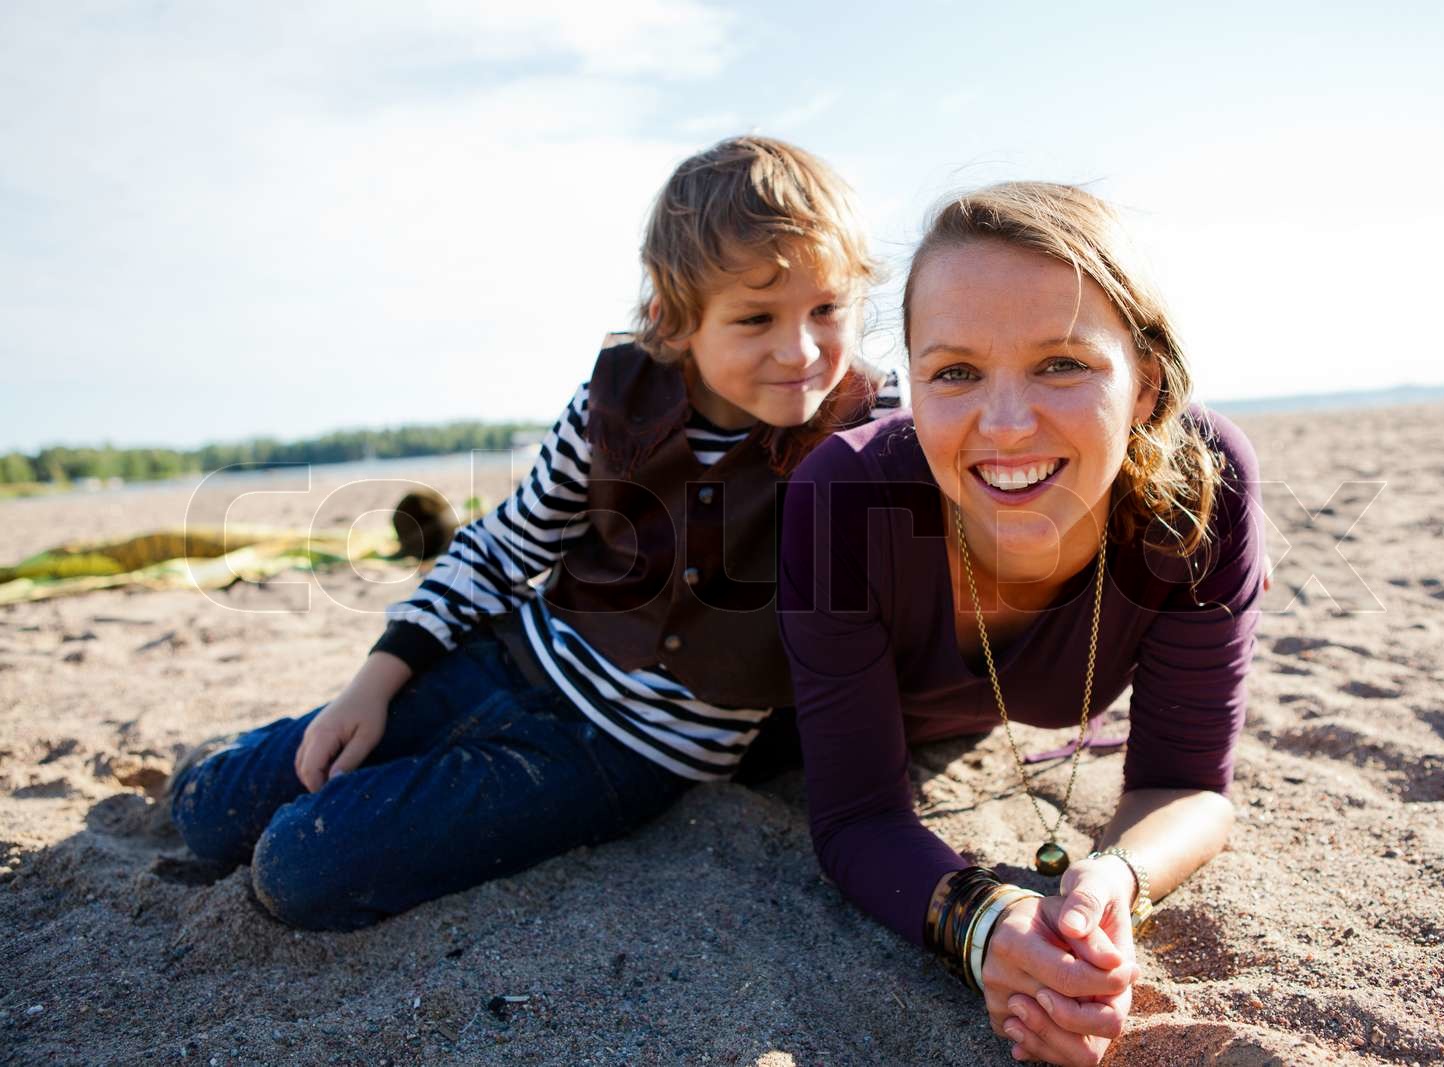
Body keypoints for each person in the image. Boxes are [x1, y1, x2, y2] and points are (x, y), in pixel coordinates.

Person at [168, 135, 901, 931]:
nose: (800, 351)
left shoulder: (869, 428)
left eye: (827, 309)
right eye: (756, 317)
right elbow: (503, 545)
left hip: (620, 752)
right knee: (205, 808)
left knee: (298, 868)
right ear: (673, 318)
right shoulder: (615, 401)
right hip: (502, 659)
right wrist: (372, 684)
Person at [778, 182, 1264, 1065]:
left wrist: (1110, 886)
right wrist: (986, 925)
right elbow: (853, 814)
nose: (1005, 425)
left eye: (1062, 363)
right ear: (911, 385)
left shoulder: (1202, 491)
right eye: (955, 371)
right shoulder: (842, 497)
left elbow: (1189, 785)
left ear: (1147, 382)